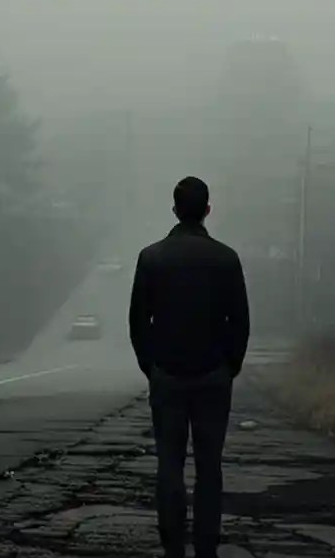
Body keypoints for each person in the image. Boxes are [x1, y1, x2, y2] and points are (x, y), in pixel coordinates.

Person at [129, 176, 250, 558]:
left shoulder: (151, 257)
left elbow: (138, 322)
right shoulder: (226, 258)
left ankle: (173, 545)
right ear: (207, 210)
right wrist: (230, 365)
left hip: (167, 375)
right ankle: (206, 545)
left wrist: (151, 366)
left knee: (169, 465)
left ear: (175, 210)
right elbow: (240, 321)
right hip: (213, 375)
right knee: (209, 466)